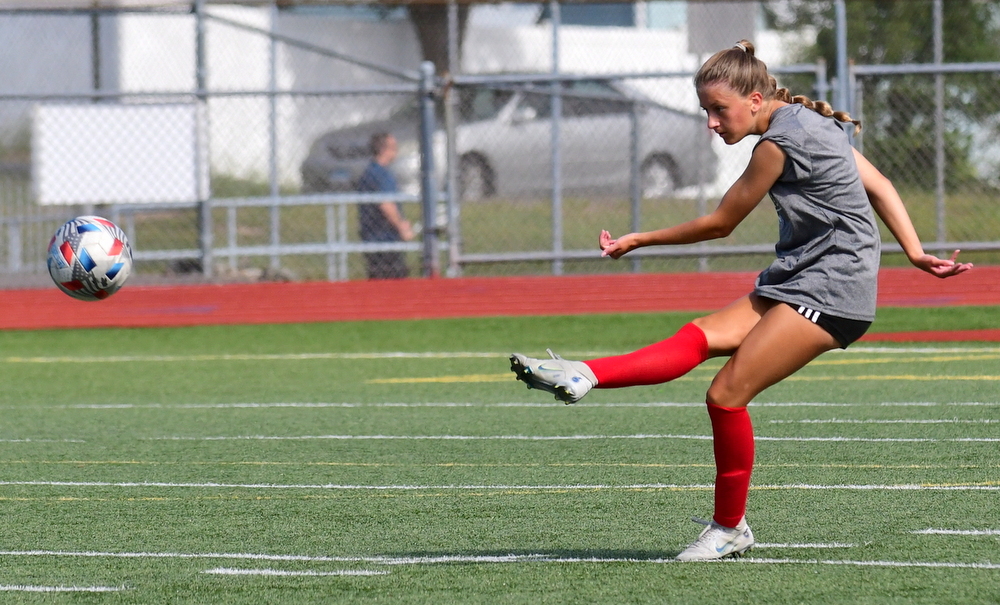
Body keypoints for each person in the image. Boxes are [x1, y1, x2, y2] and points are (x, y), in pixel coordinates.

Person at [509, 40, 972, 562]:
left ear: (754, 100)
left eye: (718, 110)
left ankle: (729, 528)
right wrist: (914, 252)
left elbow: (721, 223)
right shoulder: (809, 122)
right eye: (705, 110)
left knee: (726, 394)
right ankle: (586, 373)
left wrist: (639, 239)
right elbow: (882, 184)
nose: (711, 122)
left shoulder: (777, 145)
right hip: (800, 279)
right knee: (700, 335)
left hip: (832, 289)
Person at [357, 132, 414, 279]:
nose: (396, 151)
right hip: (384, 239)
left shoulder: (369, 172)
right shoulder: (381, 174)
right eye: (394, 147)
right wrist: (401, 226)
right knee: (393, 282)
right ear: (384, 150)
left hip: (372, 238)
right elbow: (386, 204)